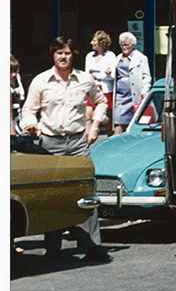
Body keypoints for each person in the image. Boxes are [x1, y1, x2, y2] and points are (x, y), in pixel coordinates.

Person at [19, 37, 110, 262]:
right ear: (53, 55)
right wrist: (32, 125)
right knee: (52, 194)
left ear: (73, 55)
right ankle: (52, 249)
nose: (63, 57)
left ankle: (93, 246)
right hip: (50, 143)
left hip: (78, 142)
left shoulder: (84, 79)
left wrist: (95, 125)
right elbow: (28, 110)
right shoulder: (41, 81)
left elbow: (101, 102)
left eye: (67, 53)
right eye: (59, 53)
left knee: (86, 192)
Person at [113, 31, 152, 134]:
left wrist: (144, 91)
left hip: (134, 95)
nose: (124, 47)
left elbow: (146, 77)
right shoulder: (117, 58)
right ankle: (117, 145)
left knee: (132, 122)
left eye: (126, 44)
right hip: (120, 96)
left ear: (132, 45)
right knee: (118, 121)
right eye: (122, 45)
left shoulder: (141, 58)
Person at [84, 30, 117, 135]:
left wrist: (97, 75)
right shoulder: (89, 56)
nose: (91, 43)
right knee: (88, 115)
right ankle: (87, 142)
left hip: (105, 89)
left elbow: (112, 76)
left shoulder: (110, 56)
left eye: (94, 41)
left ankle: (109, 135)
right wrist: (103, 73)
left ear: (101, 42)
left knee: (103, 117)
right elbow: (87, 74)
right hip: (92, 88)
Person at [10, 55, 25, 135]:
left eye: (15, 71)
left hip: (18, 122)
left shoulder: (13, 86)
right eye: (10, 71)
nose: (13, 75)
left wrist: (19, 80)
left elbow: (22, 96)